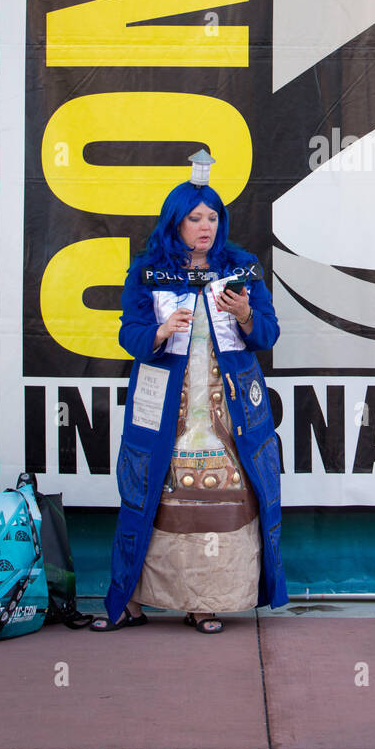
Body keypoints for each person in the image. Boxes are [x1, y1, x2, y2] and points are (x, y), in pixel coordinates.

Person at [92, 155, 288, 634]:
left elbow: (267, 334)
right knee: (150, 496)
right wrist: (159, 332)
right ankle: (133, 600)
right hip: (166, 409)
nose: (205, 226)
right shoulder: (147, 271)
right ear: (175, 223)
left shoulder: (242, 268)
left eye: (212, 217)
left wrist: (244, 313)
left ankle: (206, 603)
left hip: (228, 412)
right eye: (195, 218)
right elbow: (130, 336)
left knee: (224, 502)